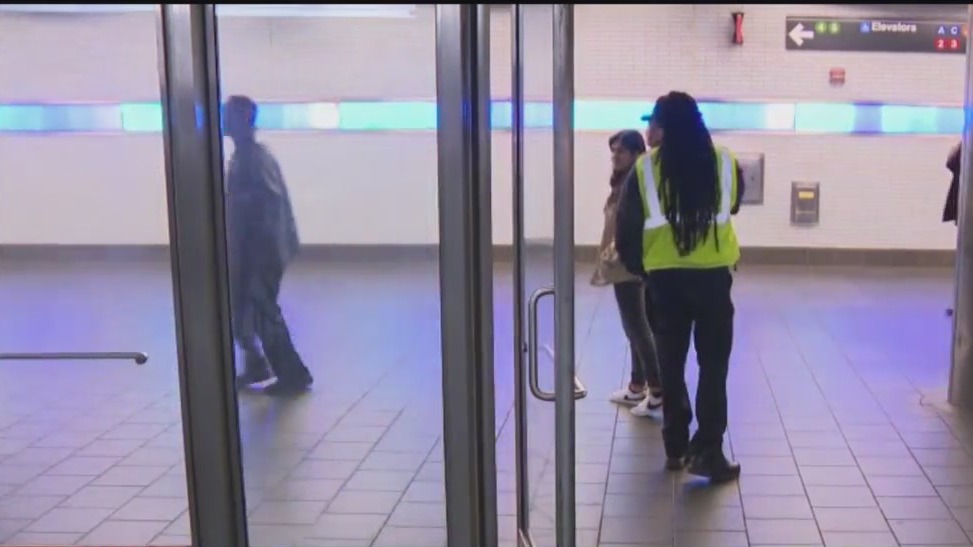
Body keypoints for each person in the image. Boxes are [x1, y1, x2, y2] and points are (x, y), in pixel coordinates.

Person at [615, 91, 742, 482]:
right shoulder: (724, 162)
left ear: (664, 128)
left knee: (672, 363)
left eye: (654, 122)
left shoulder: (644, 171)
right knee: (713, 365)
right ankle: (708, 450)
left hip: (665, 282)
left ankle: (675, 446)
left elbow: (627, 230)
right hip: (712, 278)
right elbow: (733, 206)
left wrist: (644, 269)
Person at [224, 95, 314, 395]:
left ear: (241, 121)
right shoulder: (243, 155)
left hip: (263, 250)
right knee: (242, 307)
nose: (223, 121)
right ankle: (255, 363)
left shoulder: (255, 158)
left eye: (227, 116)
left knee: (263, 309)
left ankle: (294, 374)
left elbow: (264, 205)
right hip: (253, 248)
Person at [591, 130, 663, 415]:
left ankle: (656, 389)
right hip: (624, 261)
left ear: (636, 153)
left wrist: (623, 257)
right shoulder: (625, 183)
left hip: (629, 264)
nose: (615, 157)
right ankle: (637, 385)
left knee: (637, 327)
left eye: (620, 151)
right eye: (613, 152)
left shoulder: (637, 185)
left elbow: (632, 226)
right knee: (634, 327)